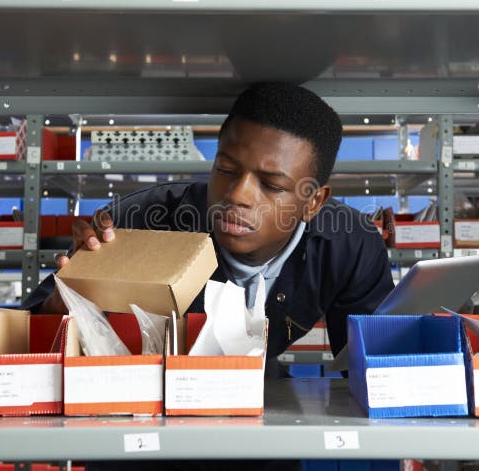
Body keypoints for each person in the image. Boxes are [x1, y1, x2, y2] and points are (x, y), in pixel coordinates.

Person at [23, 81, 394, 363]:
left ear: (313, 201)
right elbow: (24, 342)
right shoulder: (136, 224)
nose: (238, 195)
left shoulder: (350, 245)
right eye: (226, 169)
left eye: (271, 185)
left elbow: (373, 368)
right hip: (140, 422)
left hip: (260, 424)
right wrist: (69, 298)